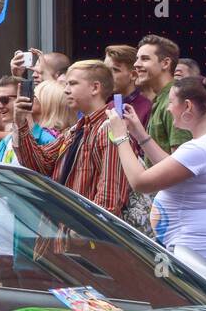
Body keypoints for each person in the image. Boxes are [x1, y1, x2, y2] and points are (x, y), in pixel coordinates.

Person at [108, 76, 206, 257]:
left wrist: (120, 136)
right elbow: (170, 167)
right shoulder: (204, 146)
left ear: (187, 106)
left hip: (193, 252)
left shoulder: (200, 148)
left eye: (171, 102)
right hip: (190, 249)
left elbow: (140, 183)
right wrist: (139, 133)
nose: (168, 108)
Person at [13, 60, 130, 216]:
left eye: (73, 84)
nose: (66, 90)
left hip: (86, 237)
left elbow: (109, 200)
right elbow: (37, 165)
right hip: (64, 232)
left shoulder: (110, 128)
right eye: (66, 84)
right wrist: (20, 123)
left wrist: (86, 235)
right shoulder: (74, 131)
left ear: (95, 88)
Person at [137, 34, 193, 155]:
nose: (136, 64)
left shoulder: (176, 99)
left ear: (165, 63)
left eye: (145, 58)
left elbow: (181, 165)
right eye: (137, 58)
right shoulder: (161, 98)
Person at [104, 44, 152, 129]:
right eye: (106, 70)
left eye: (115, 70)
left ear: (133, 75)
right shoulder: (109, 106)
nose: (108, 76)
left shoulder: (147, 107)